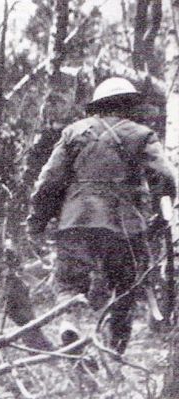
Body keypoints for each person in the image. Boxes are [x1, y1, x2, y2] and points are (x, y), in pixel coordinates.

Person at [27, 77, 176, 355]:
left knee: (69, 282)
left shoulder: (74, 132)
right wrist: (159, 217)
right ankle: (114, 353)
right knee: (125, 289)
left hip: (76, 220)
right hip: (124, 226)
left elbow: (49, 181)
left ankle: (68, 323)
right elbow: (165, 178)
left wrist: (37, 220)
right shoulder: (142, 135)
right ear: (130, 106)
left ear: (98, 106)